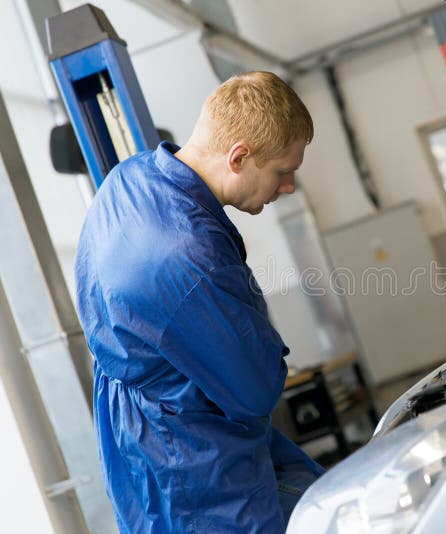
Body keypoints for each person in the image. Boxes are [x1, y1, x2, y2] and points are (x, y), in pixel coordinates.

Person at [74, 71, 324, 533]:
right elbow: (256, 388)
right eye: (282, 172)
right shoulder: (191, 259)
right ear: (239, 157)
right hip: (194, 468)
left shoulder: (126, 180)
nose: (287, 186)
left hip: (134, 436)